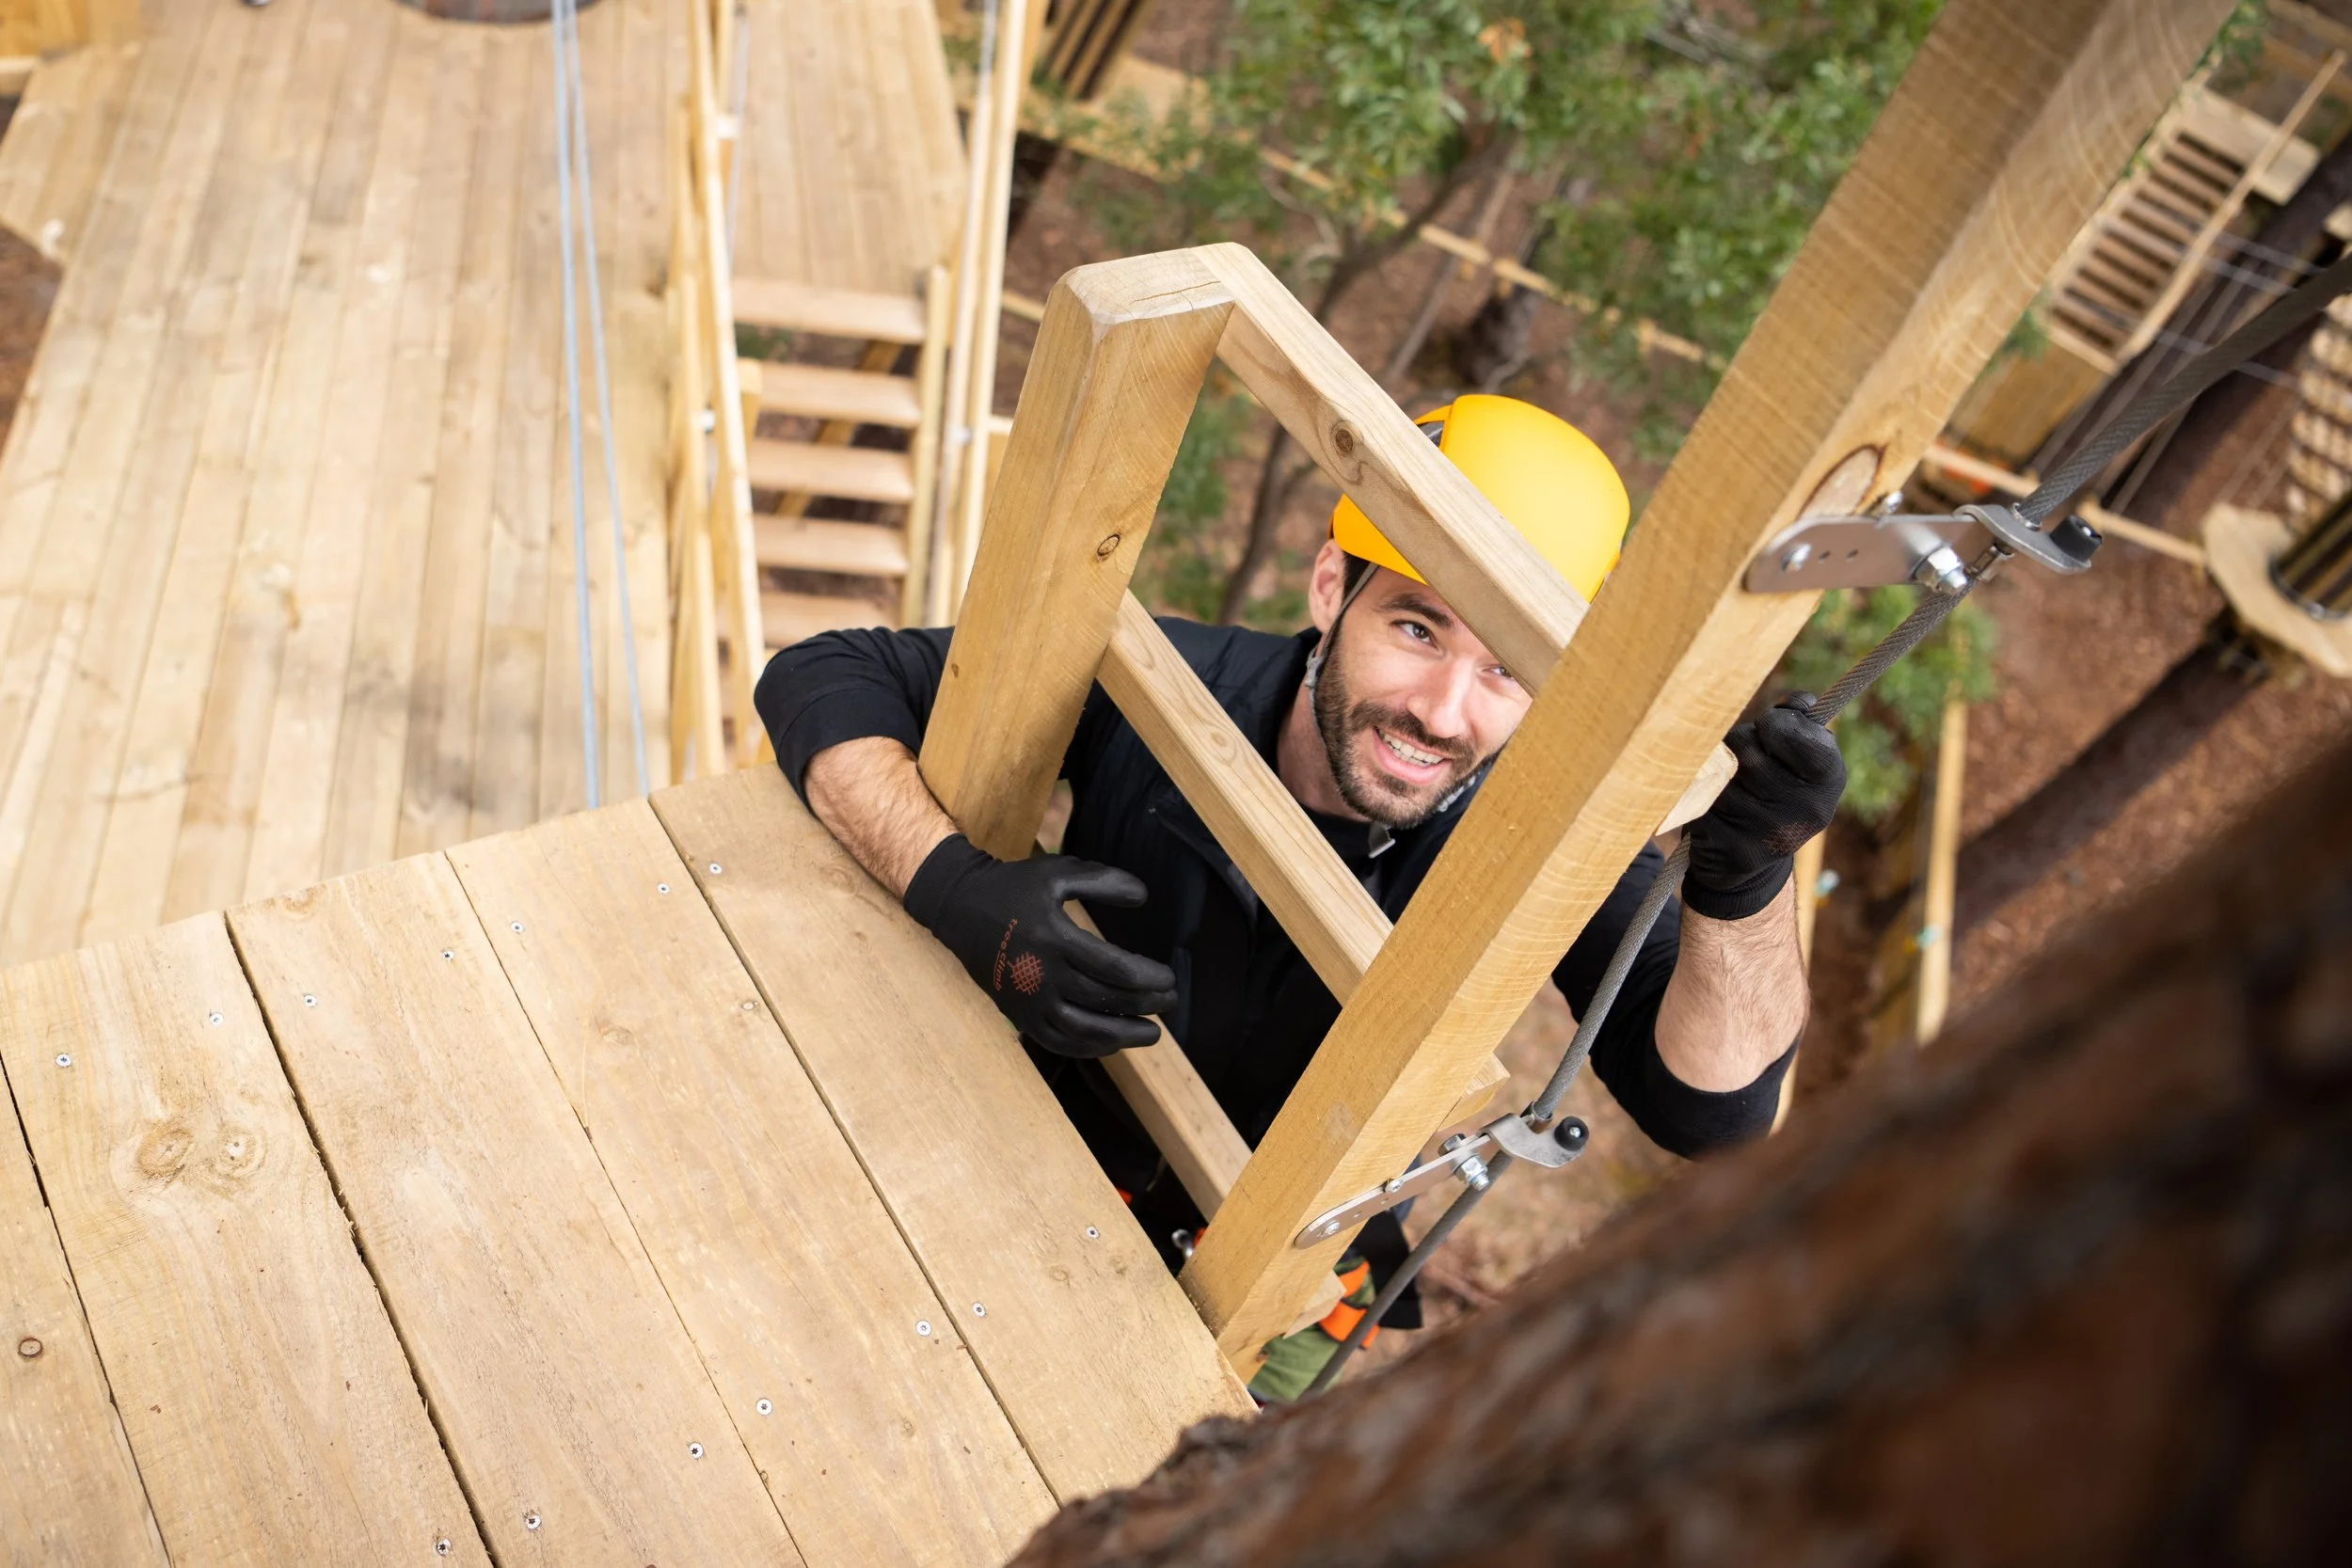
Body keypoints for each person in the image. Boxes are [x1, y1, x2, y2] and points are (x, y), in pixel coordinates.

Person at [755, 394, 1844, 1399]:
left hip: (1283, 1279)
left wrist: (1743, 889)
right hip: (1028, 1154)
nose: (1443, 711)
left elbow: (1711, 1109)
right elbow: (825, 674)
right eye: (1416, 629)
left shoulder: (1543, 840)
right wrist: (958, 891)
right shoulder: (1174, 687)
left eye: (1506, 666)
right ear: (1331, 588)